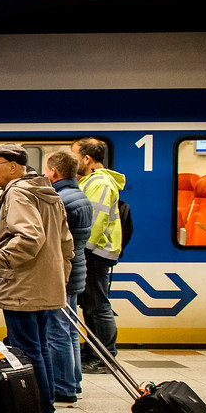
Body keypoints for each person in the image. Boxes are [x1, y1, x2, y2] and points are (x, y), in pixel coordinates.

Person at [0, 144, 72, 413]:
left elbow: (29, 238)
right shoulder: (48, 192)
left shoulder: (17, 192)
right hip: (45, 285)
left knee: (28, 354)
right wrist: (57, 279)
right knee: (40, 349)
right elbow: (66, 243)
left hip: (24, 286)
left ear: (14, 167)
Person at [72, 137, 126, 372]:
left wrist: (81, 251)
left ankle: (106, 357)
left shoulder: (101, 183)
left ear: (86, 158)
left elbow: (94, 221)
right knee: (90, 305)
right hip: (91, 251)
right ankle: (94, 352)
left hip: (95, 252)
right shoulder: (90, 181)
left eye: (74, 156)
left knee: (98, 305)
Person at [45, 150, 92, 407]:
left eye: (46, 170)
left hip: (63, 272)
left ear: (53, 171)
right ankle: (73, 380)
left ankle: (63, 387)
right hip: (77, 268)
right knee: (71, 329)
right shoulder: (81, 196)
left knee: (58, 331)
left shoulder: (60, 199)